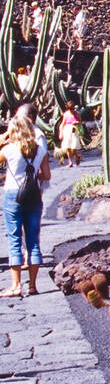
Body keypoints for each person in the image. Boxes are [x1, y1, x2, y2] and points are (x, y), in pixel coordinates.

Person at [0, 115, 50, 297]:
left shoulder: (9, 150)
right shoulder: (40, 150)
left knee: (14, 239)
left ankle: (15, 286)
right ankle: (33, 286)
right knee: (33, 241)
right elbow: (47, 175)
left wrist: (3, 138)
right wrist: (32, 180)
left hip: (13, 195)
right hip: (34, 196)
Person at [59, 100, 82, 167]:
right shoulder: (66, 114)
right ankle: (70, 162)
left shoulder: (77, 113)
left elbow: (80, 121)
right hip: (67, 130)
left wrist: (77, 122)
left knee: (73, 147)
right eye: (70, 109)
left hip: (74, 130)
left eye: (73, 108)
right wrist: (61, 133)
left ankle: (77, 157)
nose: (72, 110)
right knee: (67, 147)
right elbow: (62, 124)